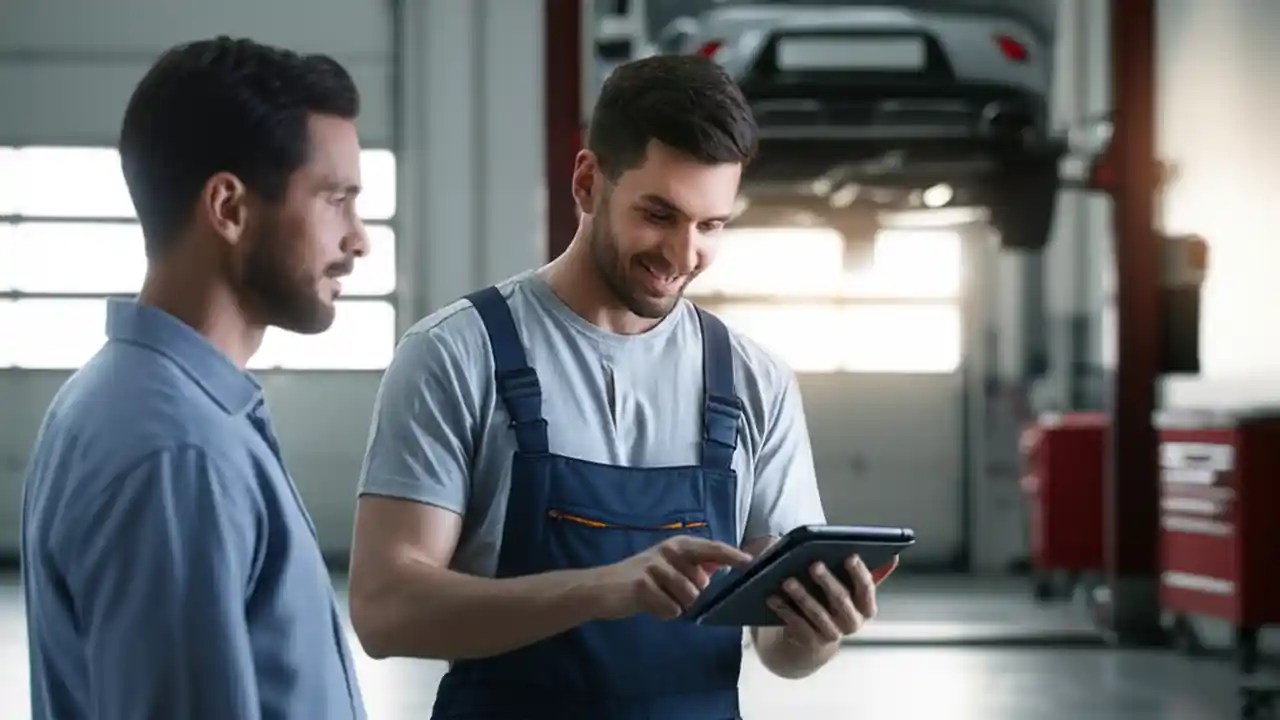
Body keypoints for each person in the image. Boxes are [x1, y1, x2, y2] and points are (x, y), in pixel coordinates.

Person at [349, 54, 896, 719]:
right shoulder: (456, 355)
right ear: (587, 183)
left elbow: (780, 650)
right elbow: (384, 611)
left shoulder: (755, 382)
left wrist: (816, 631)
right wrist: (603, 589)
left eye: (711, 226)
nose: (683, 255)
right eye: (659, 215)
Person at [20, 36, 369, 720]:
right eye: (335, 199)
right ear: (228, 208)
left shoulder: (132, 400)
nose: (359, 238)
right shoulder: (178, 450)